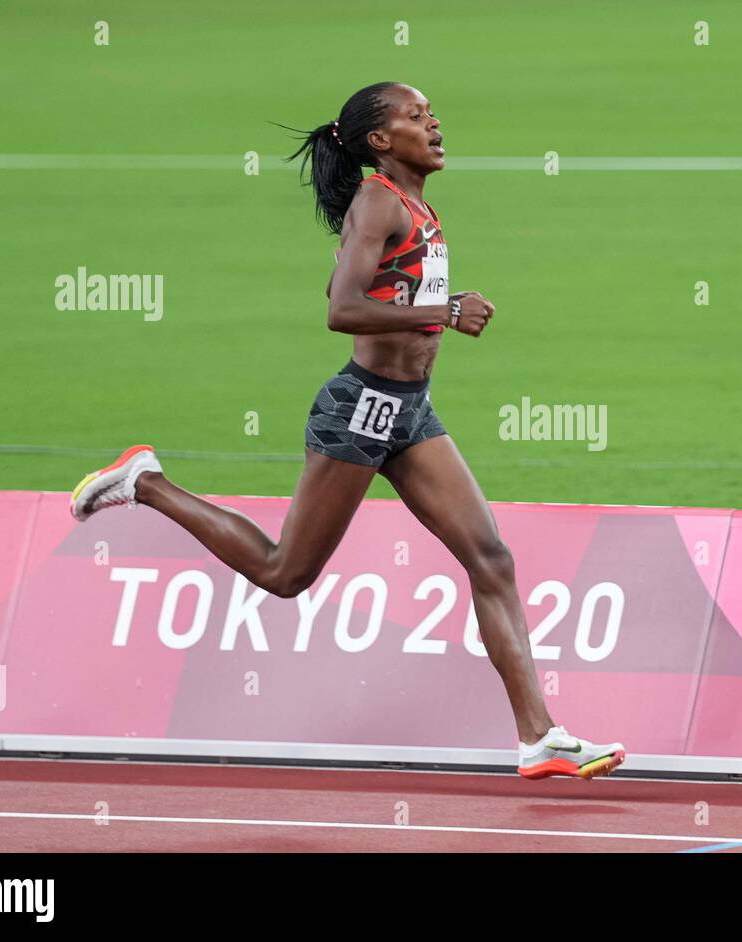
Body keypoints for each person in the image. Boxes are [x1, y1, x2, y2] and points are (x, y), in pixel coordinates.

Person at [69, 81, 625, 780]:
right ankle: (145, 482)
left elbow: (376, 289)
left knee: (492, 559)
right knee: (285, 572)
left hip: (410, 409)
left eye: (432, 112)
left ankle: (538, 736)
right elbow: (341, 307)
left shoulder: (415, 203)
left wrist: (431, 312)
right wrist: (445, 312)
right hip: (362, 407)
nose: (435, 122)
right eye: (416, 116)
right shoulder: (377, 201)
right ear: (380, 141)